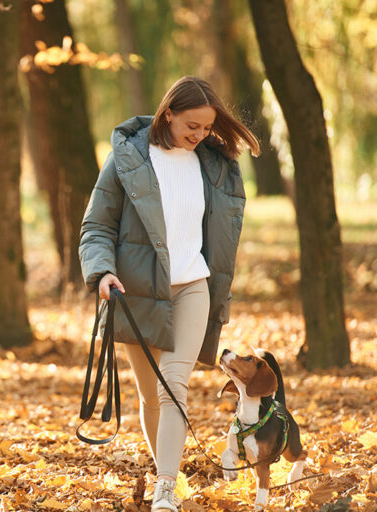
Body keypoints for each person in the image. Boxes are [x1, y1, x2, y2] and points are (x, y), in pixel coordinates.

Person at [79, 76, 260, 512]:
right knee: (150, 395)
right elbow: (96, 226)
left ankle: (165, 488)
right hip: (137, 291)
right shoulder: (128, 158)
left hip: (193, 285)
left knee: (173, 384)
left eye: (206, 128)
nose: (199, 136)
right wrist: (101, 271)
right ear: (168, 114)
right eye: (191, 126)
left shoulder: (214, 162)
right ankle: (167, 473)